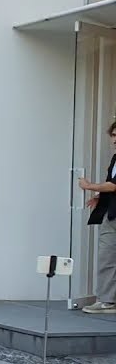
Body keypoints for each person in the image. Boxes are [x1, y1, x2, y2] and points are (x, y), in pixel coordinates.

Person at [80, 119, 116, 314]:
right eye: (114, 135)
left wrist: (88, 186)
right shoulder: (115, 159)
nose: (115, 139)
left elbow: (114, 185)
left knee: (108, 256)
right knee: (107, 256)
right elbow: (111, 184)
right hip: (112, 214)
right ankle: (107, 301)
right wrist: (99, 196)